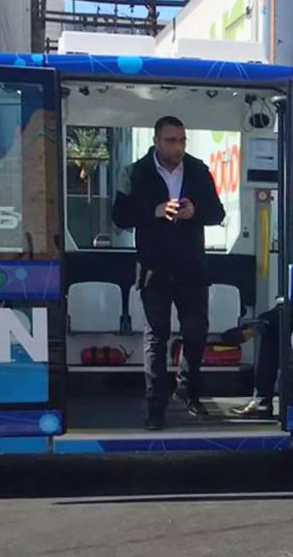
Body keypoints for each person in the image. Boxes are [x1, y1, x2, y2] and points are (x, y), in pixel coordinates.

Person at [112, 116, 226, 430]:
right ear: (156, 141)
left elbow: (218, 213)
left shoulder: (198, 170)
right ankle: (155, 407)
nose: (177, 147)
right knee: (156, 339)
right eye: (171, 141)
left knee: (196, 331)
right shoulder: (134, 172)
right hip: (154, 269)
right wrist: (154, 211)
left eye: (182, 141)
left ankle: (188, 389)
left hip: (191, 267)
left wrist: (195, 212)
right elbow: (119, 217)